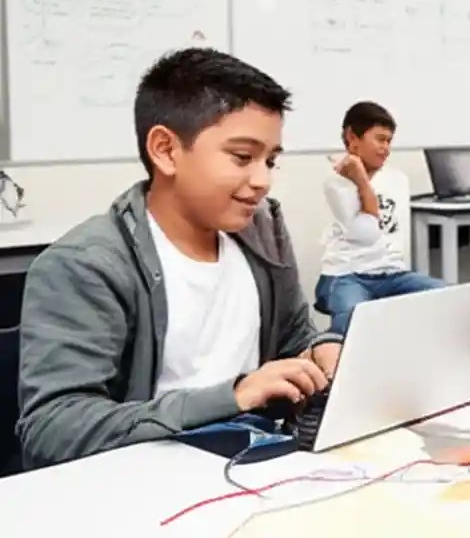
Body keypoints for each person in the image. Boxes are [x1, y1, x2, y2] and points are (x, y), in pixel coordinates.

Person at [16, 48, 341, 470]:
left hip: (252, 467)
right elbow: (51, 428)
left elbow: (295, 339)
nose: (263, 180)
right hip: (141, 485)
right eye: (242, 157)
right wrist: (234, 396)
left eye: (271, 160)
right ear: (166, 150)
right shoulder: (85, 265)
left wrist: (323, 350)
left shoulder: (260, 231)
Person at [318, 101, 446, 334]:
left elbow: (397, 242)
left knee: (448, 297)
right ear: (352, 137)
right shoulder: (335, 181)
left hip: (392, 273)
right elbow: (365, 234)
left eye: (389, 141)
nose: (386, 148)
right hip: (347, 274)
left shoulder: (397, 179)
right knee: (354, 325)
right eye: (379, 139)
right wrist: (361, 181)